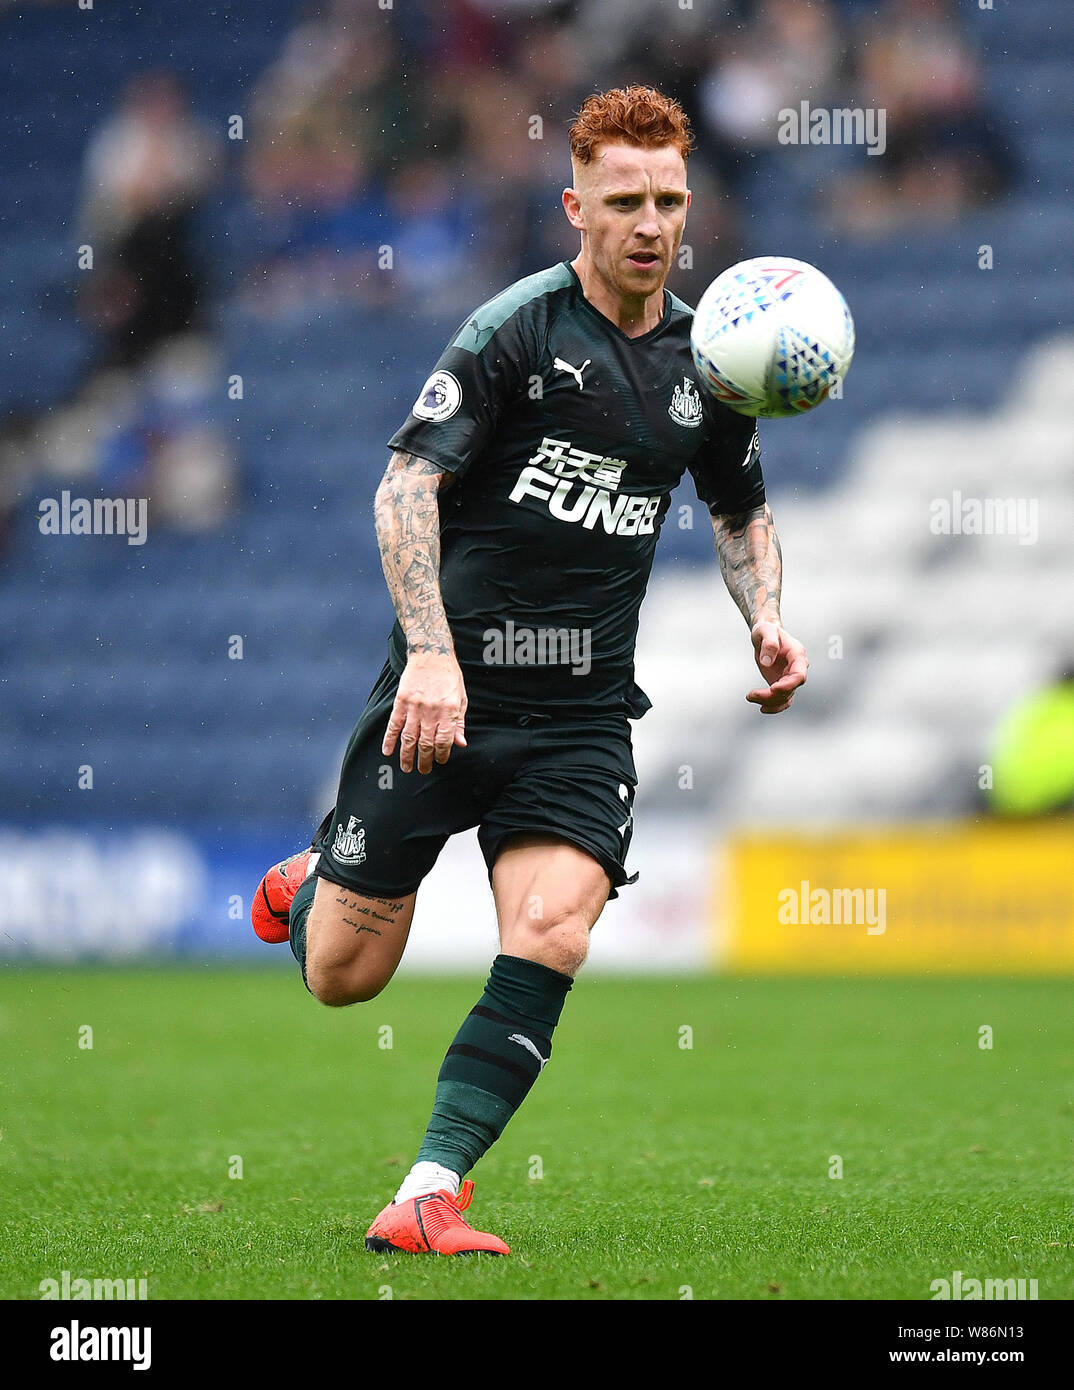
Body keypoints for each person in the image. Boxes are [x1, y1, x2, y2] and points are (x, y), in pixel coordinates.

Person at [251, 85, 808, 1256]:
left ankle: (429, 1188)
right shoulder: (518, 328)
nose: (651, 223)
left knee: (553, 928)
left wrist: (766, 617)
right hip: (445, 697)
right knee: (345, 977)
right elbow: (405, 487)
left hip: (580, 717)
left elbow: (740, 509)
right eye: (625, 201)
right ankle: (308, 885)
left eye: (669, 200)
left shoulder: (712, 361)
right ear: (576, 206)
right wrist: (436, 661)